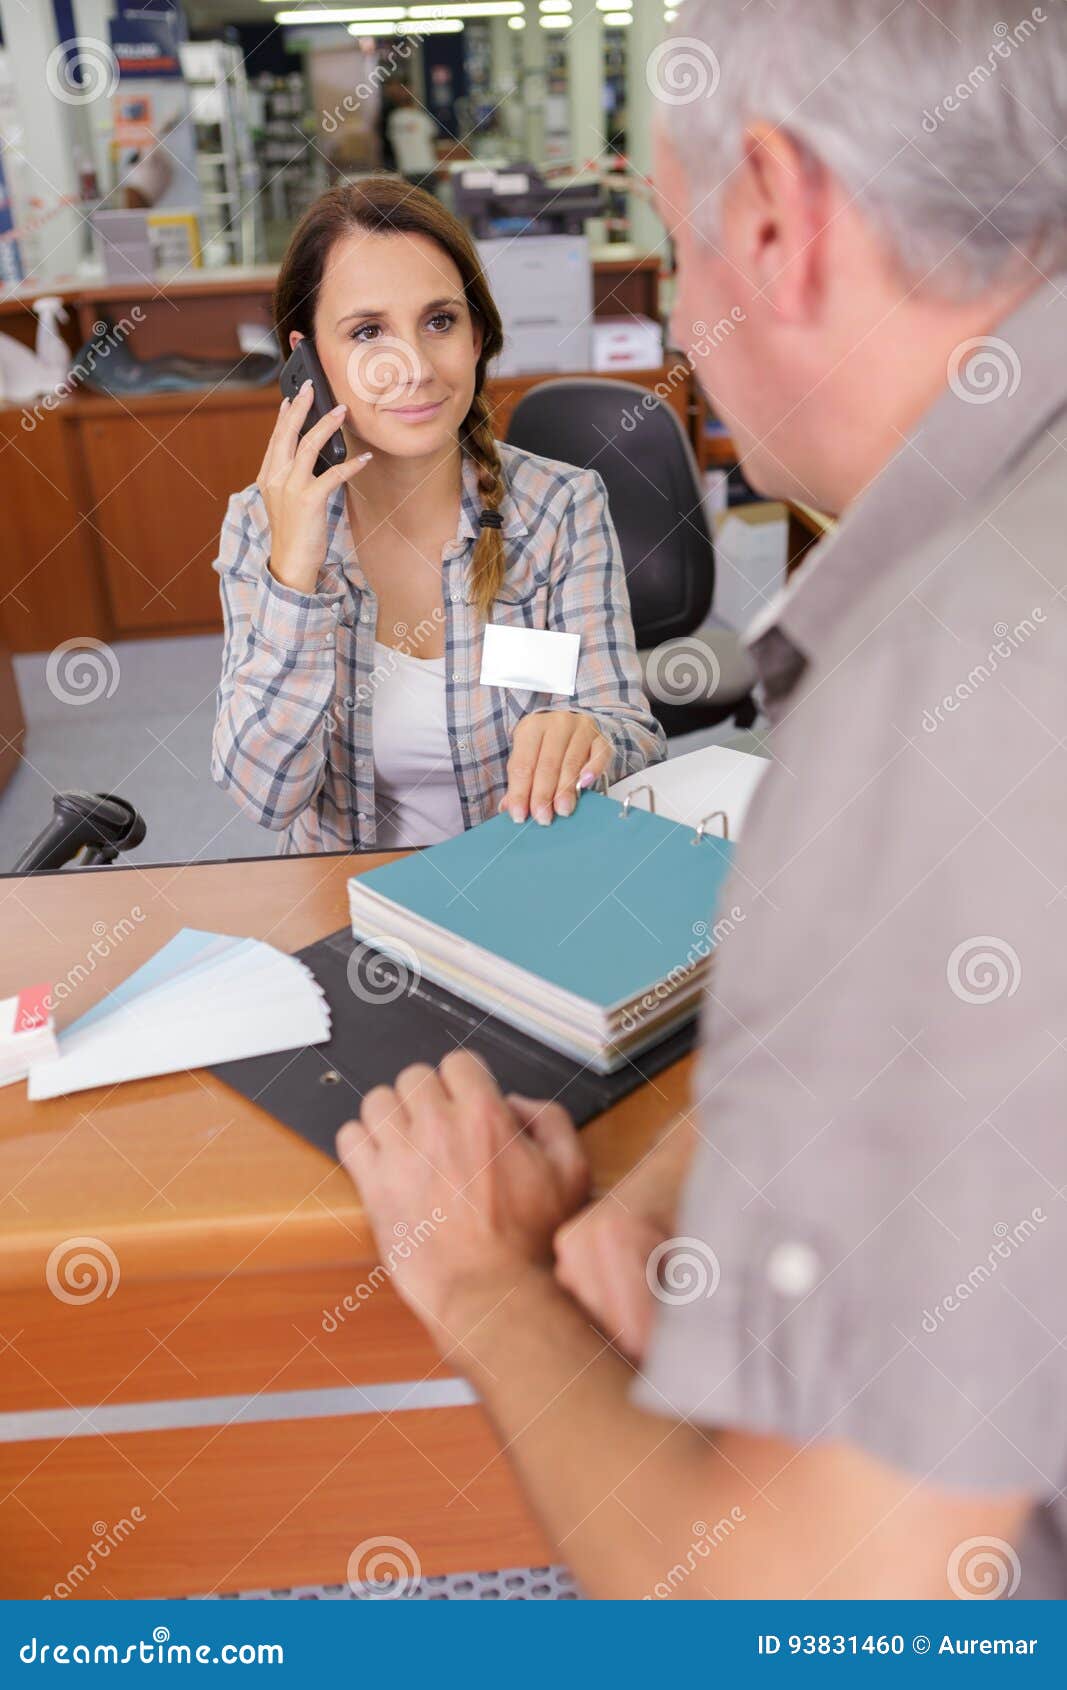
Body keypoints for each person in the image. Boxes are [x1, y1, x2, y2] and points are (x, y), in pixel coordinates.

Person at [335, 0, 1067, 1599]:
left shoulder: (951, 688)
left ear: (770, 212)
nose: (681, 317)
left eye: (678, 252)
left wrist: (478, 1281)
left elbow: (807, 1607)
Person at [210, 176, 664, 852]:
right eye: (367, 332)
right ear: (308, 363)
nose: (415, 366)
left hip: (521, 889)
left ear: (477, 335)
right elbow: (265, 797)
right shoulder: (260, 525)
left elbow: (629, 727)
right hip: (347, 903)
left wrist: (591, 735)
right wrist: (294, 576)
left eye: (439, 321)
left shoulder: (561, 507)